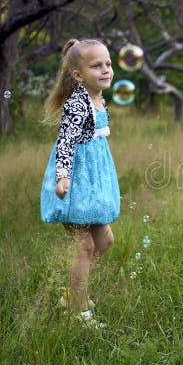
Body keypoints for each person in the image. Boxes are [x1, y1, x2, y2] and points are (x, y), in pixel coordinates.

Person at [40, 39, 120, 328]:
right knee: (85, 246)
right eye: (96, 65)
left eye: (108, 64)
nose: (106, 69)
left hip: (94, 183)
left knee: (105, 240)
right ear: (78, 74)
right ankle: (80, 313)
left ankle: (73, 294)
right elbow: (65, 142)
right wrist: (62, 178)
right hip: (74, 181)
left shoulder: (99, 97)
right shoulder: (77, 102)